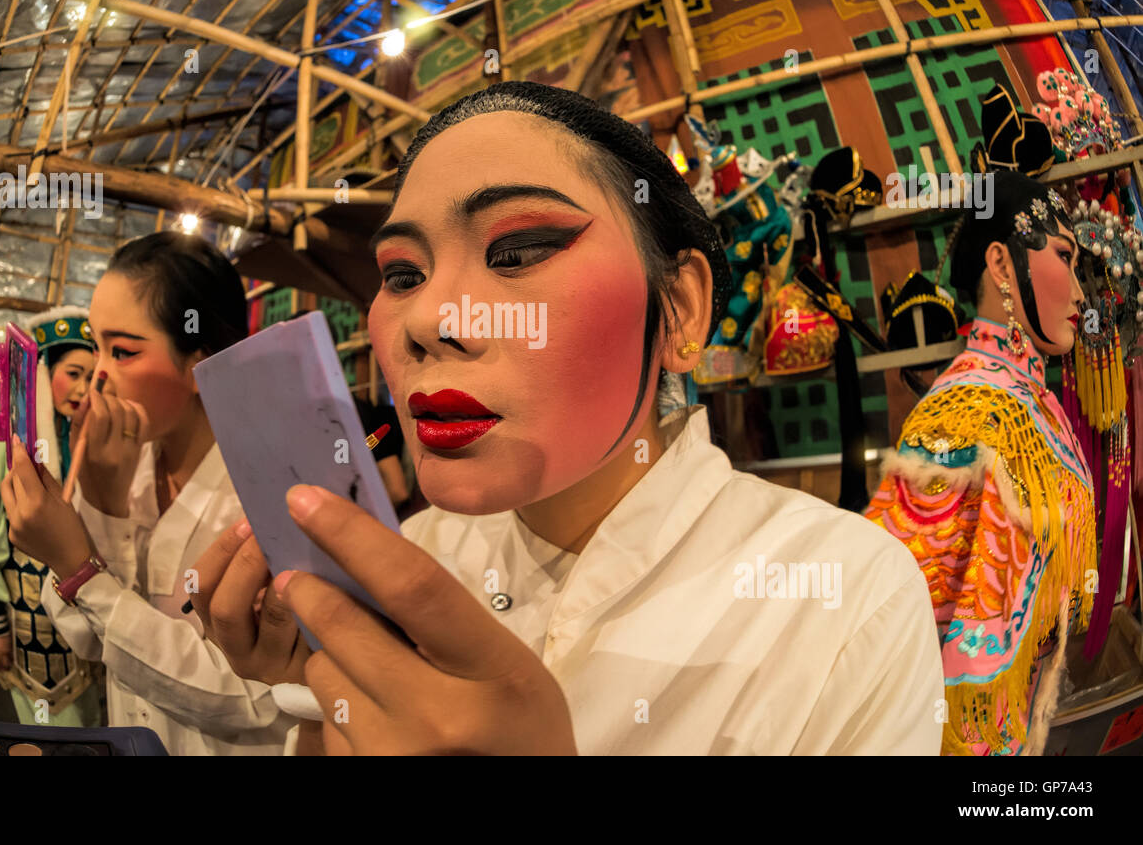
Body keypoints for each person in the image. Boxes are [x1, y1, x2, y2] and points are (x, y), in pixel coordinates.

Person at [189, 81, 944, 755]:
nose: (425, 318)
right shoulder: (402, 566)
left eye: (516, 251)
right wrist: (327, 689)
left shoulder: (842, 597)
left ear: (678, 309)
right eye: (403, 274)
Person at [1, 232, 295, 755]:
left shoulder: (269, 495)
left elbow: (256, 701)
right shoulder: (127, 467)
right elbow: (88, 640)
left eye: (123, 352)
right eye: (95, 349)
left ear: (201, 364)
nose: (98, 379)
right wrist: (104, 507)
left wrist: (82, 571)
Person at [865, 171, 1094, 756]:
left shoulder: (1028, 397)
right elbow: (923, 639)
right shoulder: (964, 413)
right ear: (1001, 264)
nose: (1082, 292)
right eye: (1064, 256)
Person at [0, 307, 101, 727]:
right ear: (40, 372)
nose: (82, 388)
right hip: (29, 642)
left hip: (86, 644)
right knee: (42, 739)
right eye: (72, 373)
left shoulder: (84, 443)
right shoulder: (1, 446)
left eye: (91, 377)